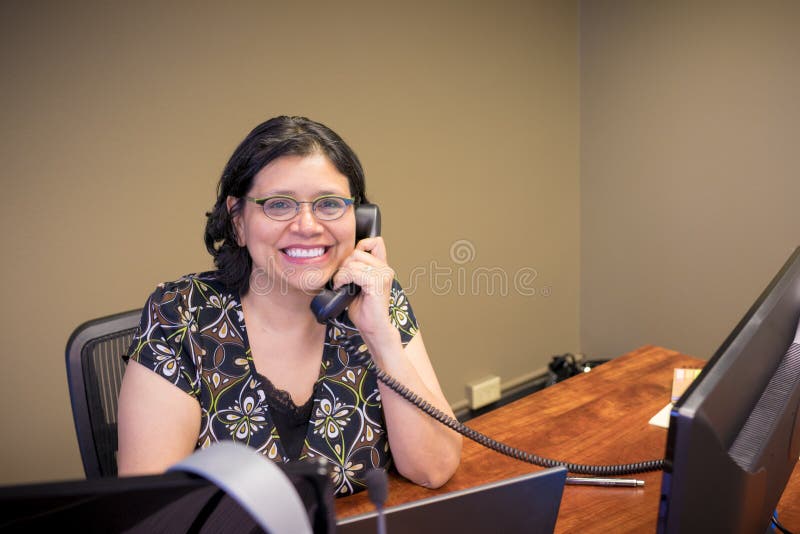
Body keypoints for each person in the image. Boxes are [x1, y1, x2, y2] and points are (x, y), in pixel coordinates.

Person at [117, 116, 462, 496]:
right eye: (279, 205)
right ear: (238, 221)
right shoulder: (180, 315)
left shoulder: (376, 298)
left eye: (329, 204)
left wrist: (381, 338)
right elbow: (154, 511)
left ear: (361, 221)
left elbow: (434, 468)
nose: (308, 225)